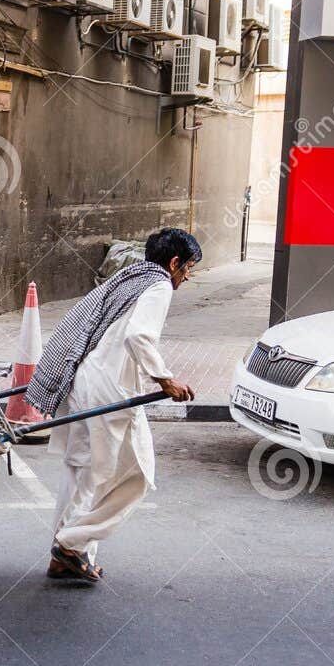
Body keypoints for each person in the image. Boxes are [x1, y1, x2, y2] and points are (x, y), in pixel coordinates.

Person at [26, 227, 201, 584]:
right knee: (136, 475)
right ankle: (71, 545)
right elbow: (139, 336)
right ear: (173, 263)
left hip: (84, 379)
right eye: (188, 269)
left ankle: (66, 555)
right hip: (109, 388)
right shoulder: (158, 285)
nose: (188, 277)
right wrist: (166, 379)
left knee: (82, 471)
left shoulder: (131, 276)